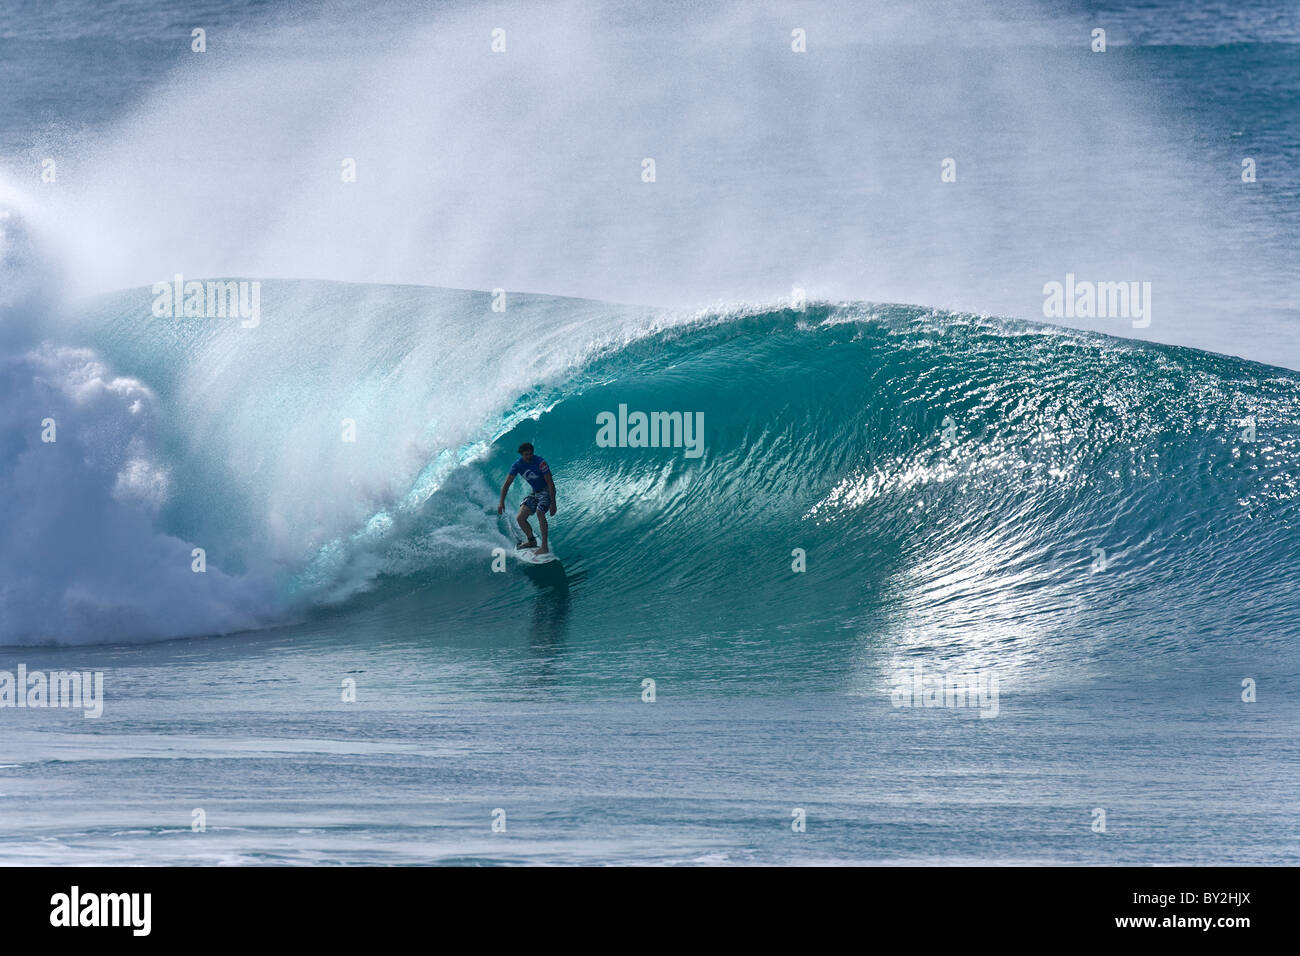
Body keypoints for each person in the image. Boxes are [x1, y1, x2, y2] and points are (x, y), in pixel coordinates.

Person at [497, 442, 557, 554]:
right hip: (535, 493)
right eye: (526, 454)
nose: (529, 456)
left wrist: (553, 503)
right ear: (521, 454)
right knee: (520, 518)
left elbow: (550, 482)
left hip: (546, 491)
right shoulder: (517, 465)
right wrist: (501, 502)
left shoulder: (541, 463)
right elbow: (507, 484)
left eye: (531, 454)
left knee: (540, 513)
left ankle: (544, 547)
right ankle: (531, 541)